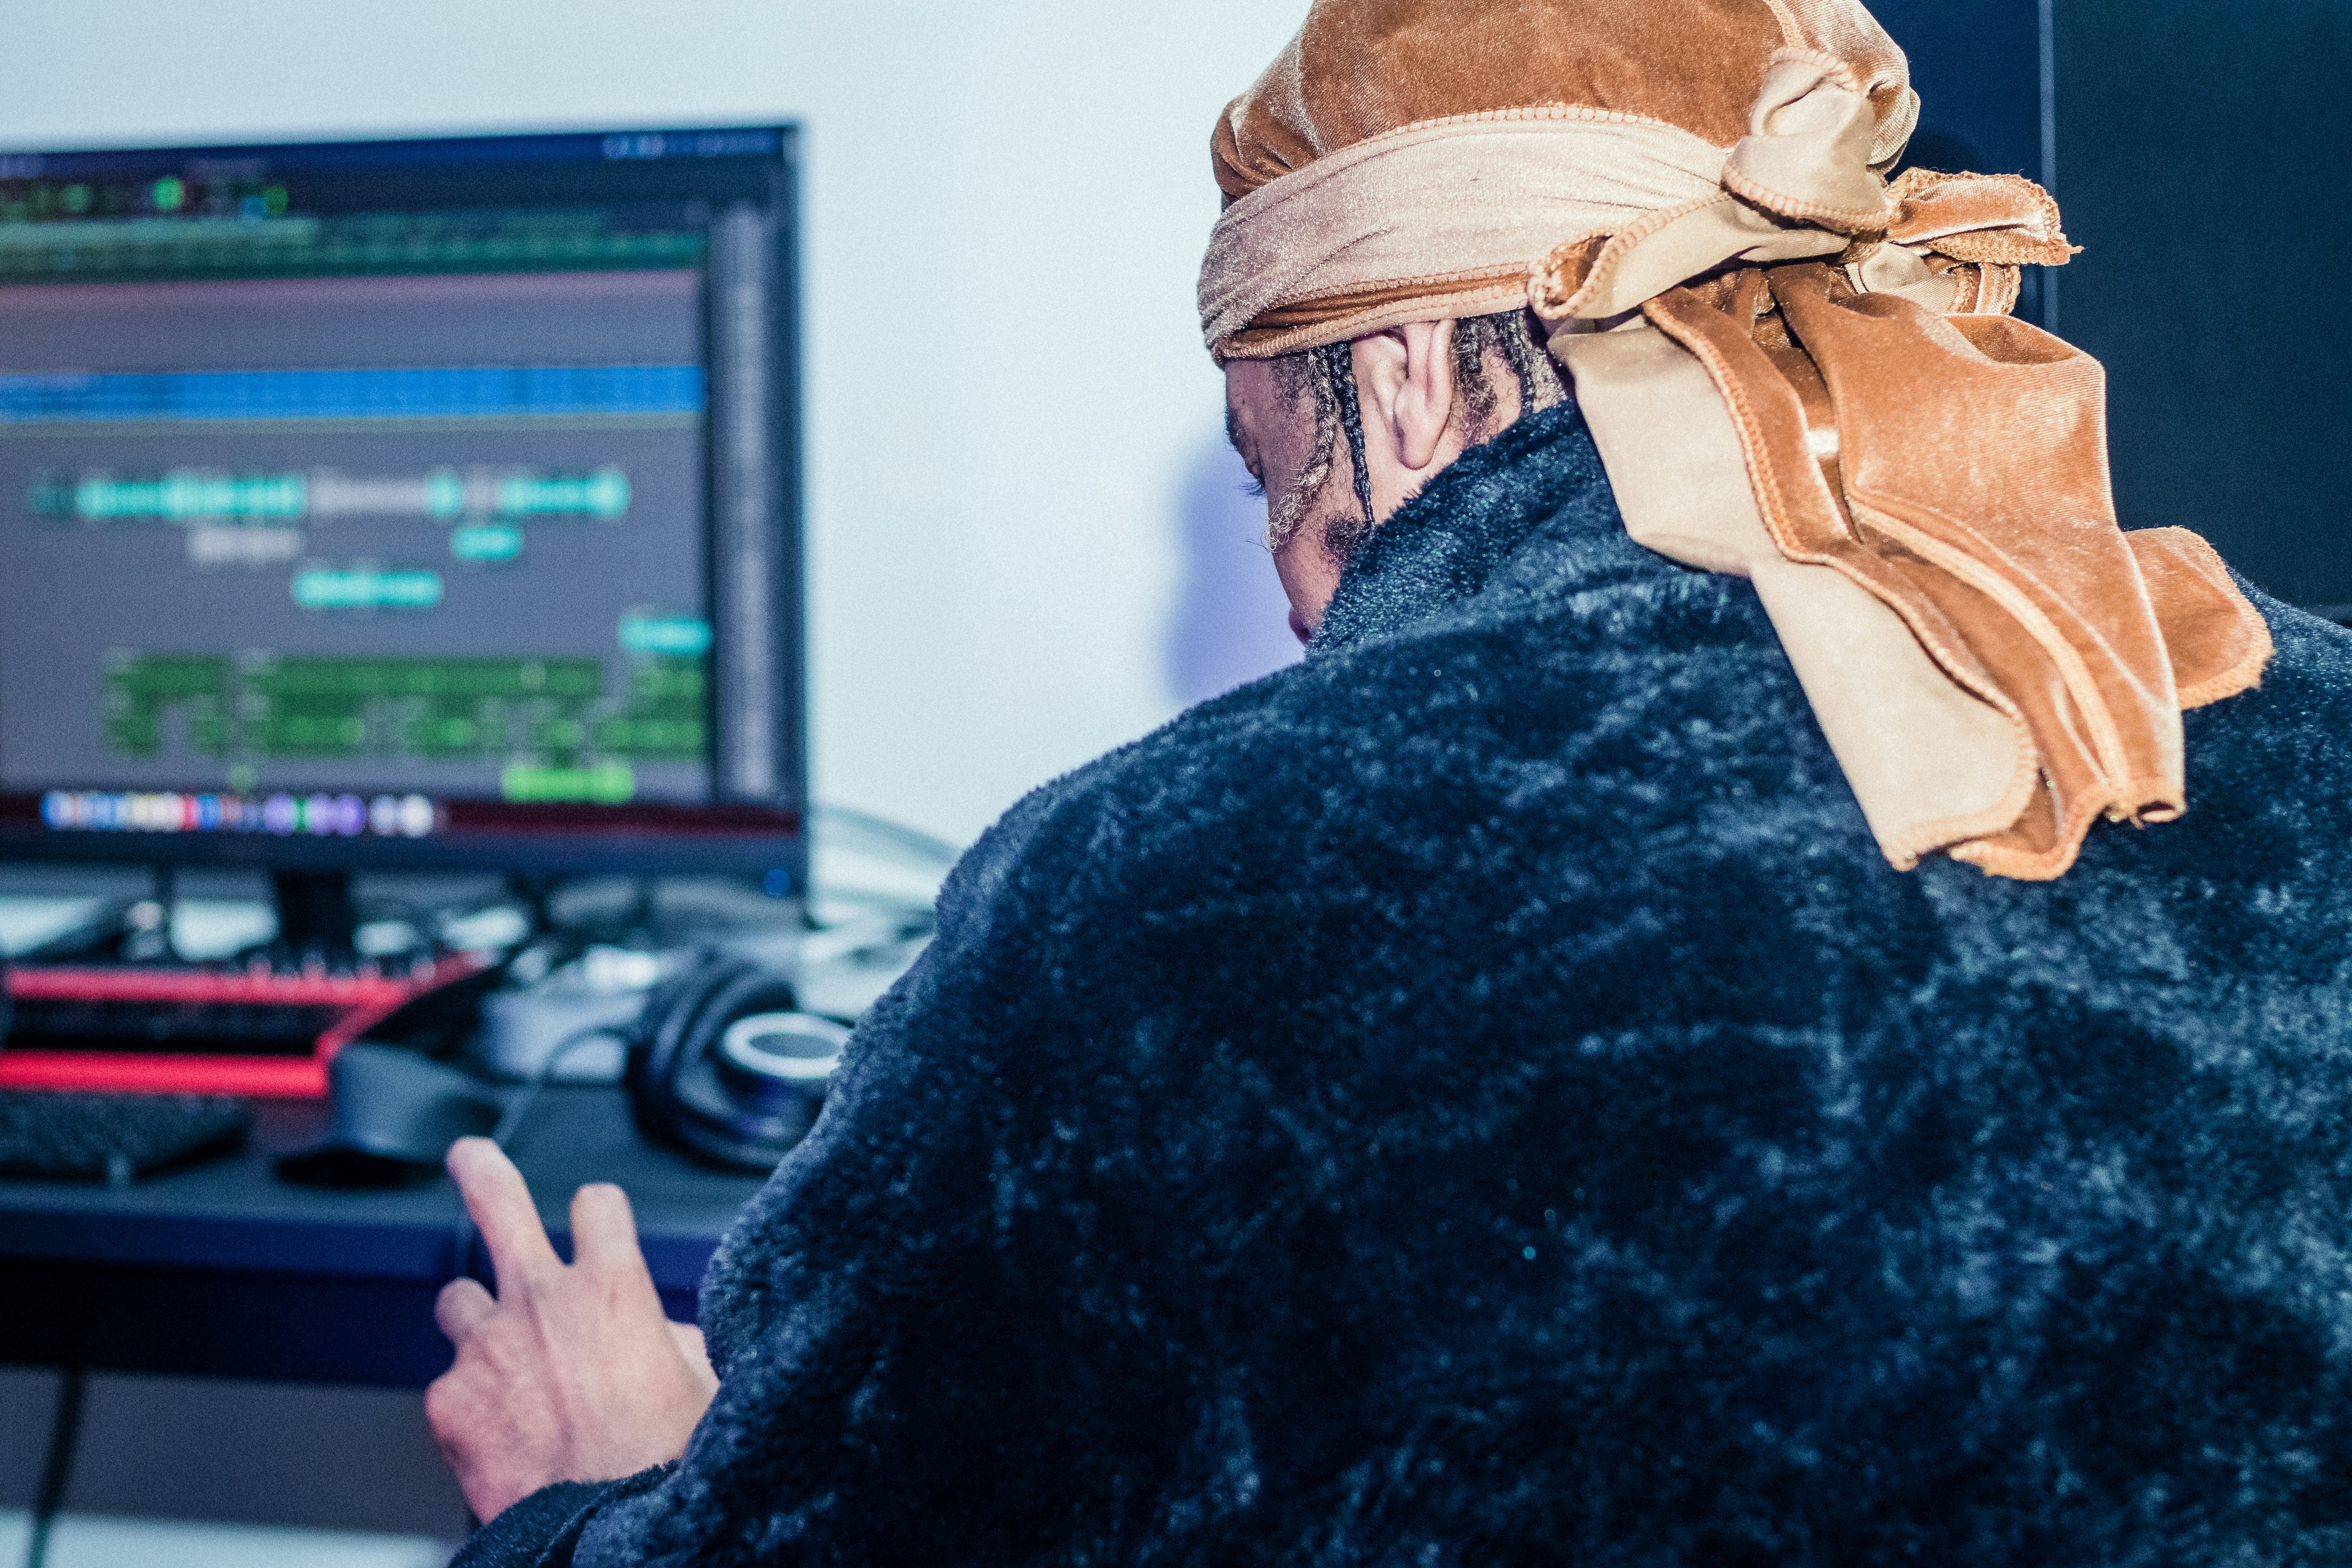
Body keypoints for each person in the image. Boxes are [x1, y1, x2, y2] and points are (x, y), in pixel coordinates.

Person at [435, 1, 2352, 1561]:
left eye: (1275, 477)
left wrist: (588, 1490)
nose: (1286, 596)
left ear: (1416, 370)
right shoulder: (2302, 699)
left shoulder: (1171, 881)